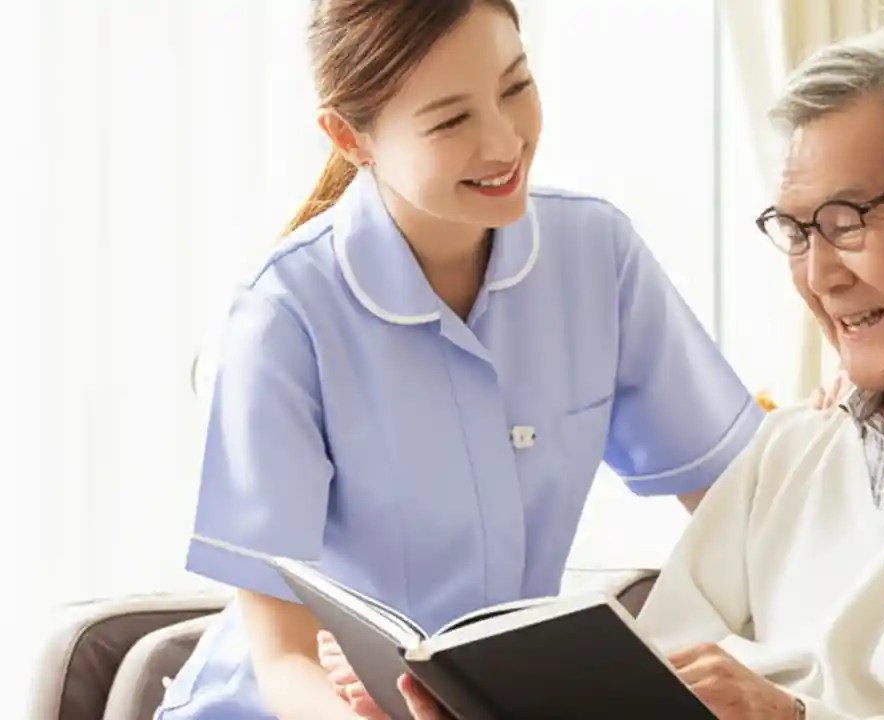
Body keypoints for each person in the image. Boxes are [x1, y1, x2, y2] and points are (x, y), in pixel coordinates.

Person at [333, 28, 884, 720]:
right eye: (795, 230)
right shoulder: (791, 452)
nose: (818, 275)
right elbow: (649, 692)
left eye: (846, 219)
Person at [154, 1, 768, 717]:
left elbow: (744, 515)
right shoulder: (283, 314)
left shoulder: (596, 257)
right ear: (349, 137)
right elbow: (281, 658)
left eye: (515, 87)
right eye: (451, 121)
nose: (505, 143)